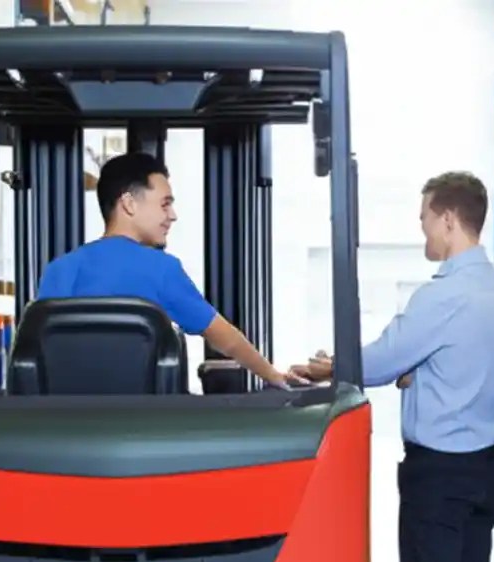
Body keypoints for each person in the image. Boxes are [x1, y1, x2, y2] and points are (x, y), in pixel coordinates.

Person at [293, 171, 494, 562]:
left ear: (448, 219)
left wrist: (331, 367)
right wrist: (415, 372)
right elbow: (449, 365)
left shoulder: (442, 296)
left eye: (425, 219)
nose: (422, 230)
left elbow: (377, 361)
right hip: (484, 473)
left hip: (438, 479)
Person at [35, 152, 301, 388]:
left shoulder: (58, 270)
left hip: (66, 419)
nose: (172, 215)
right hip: (147, 421)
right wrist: (274, 376)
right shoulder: (162, 268)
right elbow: (224, 339)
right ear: (129, 203)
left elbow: (38, 351)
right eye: (165, 204)